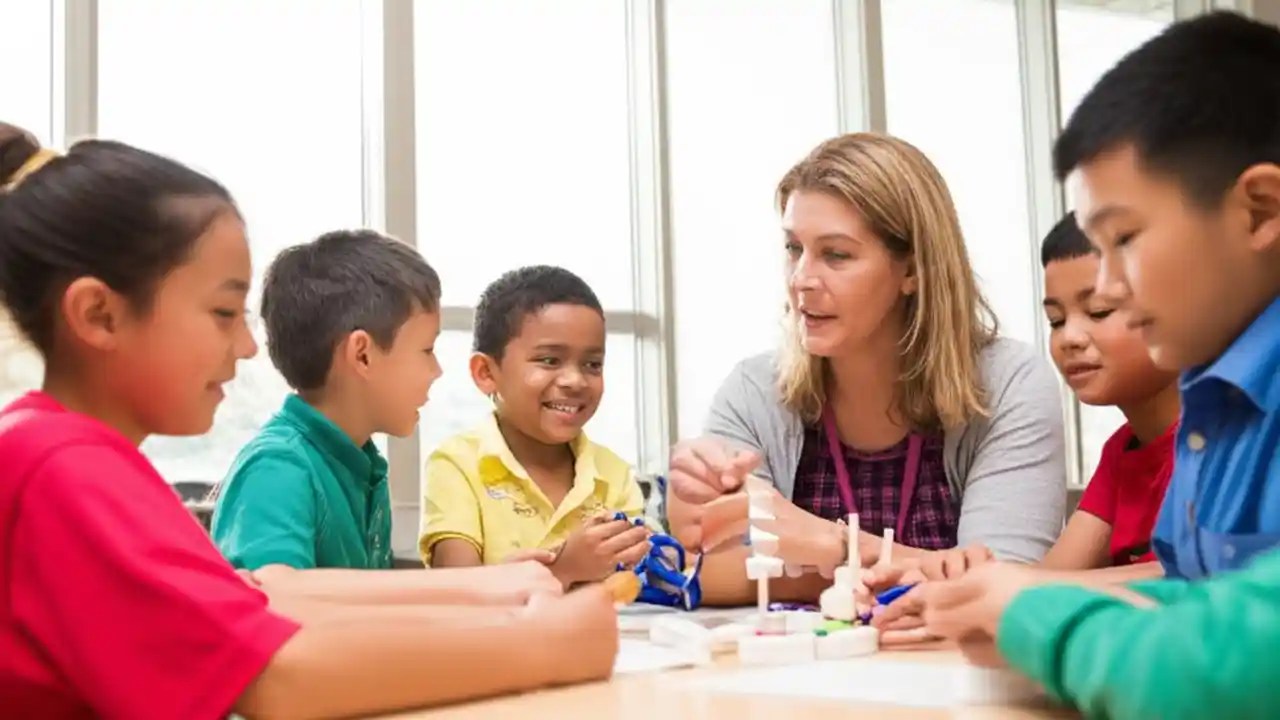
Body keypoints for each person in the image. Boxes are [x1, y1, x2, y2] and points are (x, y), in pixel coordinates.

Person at [0, 125, 617, 718]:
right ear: (100, 315)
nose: (246, 346)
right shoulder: (62, 468)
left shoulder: (70, 458)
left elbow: (263, 591)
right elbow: (273, 676)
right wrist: (546, 649)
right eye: (222, 313)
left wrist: (491, 589)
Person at [916, 13, 1280, 719]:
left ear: (1260, 211)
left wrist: (1037, 621)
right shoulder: (1216, 408)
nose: (1110, 287)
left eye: (1126, 239)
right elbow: (1207, 603)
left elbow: (1219, 668)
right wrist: (1012, 604)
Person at [666, 132, 1067, 605]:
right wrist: (694, 509)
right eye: (794, 248)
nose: (801, 280)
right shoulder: (753, 391)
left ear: (913, 270)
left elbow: (1000, 588)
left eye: (836, 254)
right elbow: (711, 576)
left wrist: (830, 545)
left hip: (948, 675)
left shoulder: (1010, 383)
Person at [421, 265, 651, 588]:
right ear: (486, 373)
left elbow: (646, 581)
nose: (575, 381)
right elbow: (459, 596)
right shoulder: (456, 466)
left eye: (592, 365)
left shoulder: (613, 474)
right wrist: (562, 571)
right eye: (549, 360)